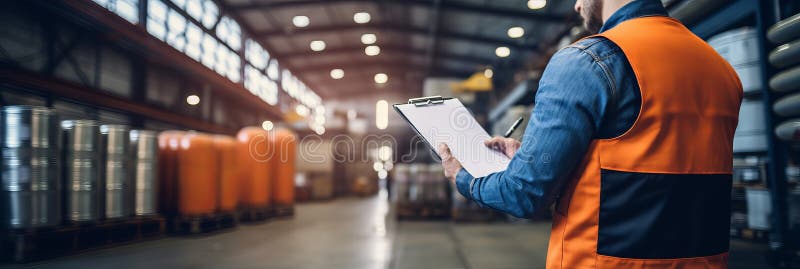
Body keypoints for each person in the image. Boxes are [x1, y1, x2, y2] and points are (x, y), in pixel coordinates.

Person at [437, 0, 743, 268]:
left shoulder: (588, 60)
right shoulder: (721, 70)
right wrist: (529, 157)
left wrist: (462, 176)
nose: (576, 6)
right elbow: (661, 169)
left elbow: (524, 195)